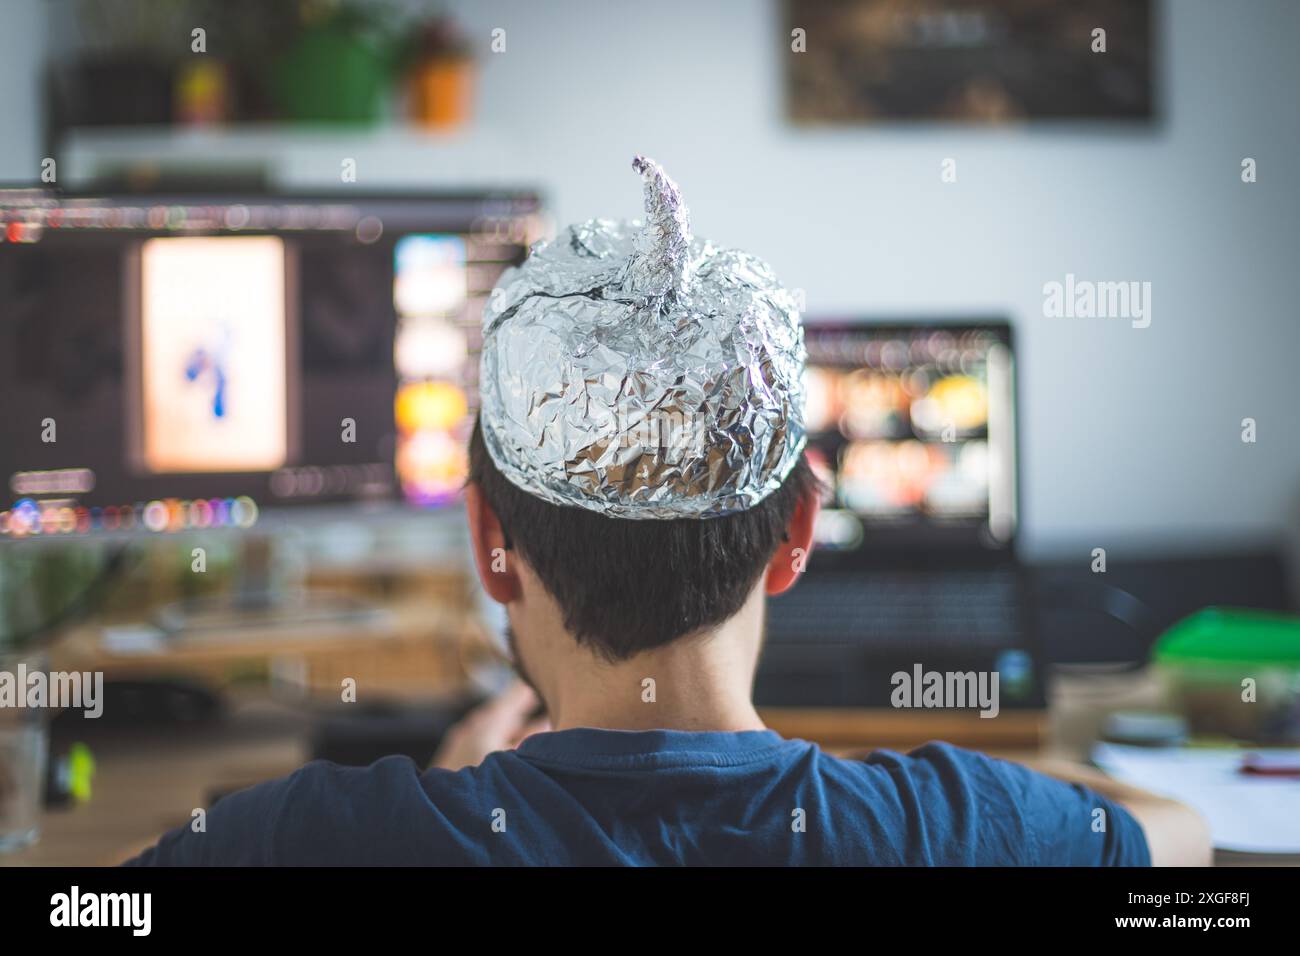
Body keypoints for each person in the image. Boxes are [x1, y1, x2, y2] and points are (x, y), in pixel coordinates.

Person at [126, 157, 1209, 866]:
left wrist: (446, 801)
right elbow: (1180, 840)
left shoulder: (317, 839)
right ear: (797, 536)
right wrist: (1015, 790)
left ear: (488, 545)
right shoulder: (949, 829)